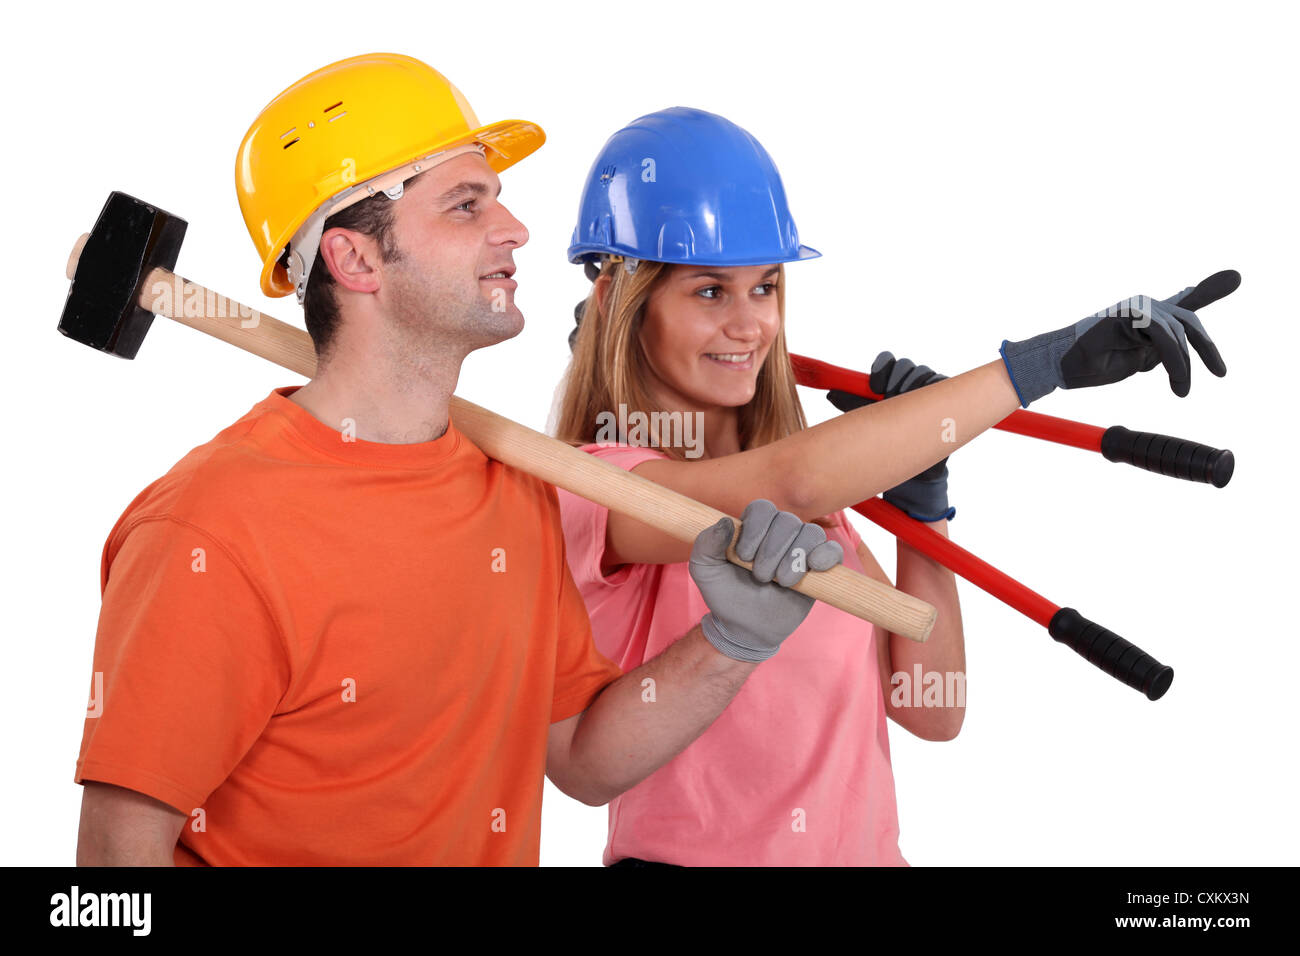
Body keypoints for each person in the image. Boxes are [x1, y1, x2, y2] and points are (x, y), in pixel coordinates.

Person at [71, 56, 845, 866]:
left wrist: (731, 641)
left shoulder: (512, 484)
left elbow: (581, 754)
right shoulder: (211, 529)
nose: (514, 231)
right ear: (356, 261)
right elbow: (116, 869)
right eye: (466, 206)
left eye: (499, 202)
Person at [552, 106, 1228, 866]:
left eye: (766, 288)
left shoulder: (819, 507)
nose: (750, 326)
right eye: (710, 292)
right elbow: (793, 480)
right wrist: (1045, 365)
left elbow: (931, 708)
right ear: (619, 302)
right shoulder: (594, 483)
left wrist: (924, 508)